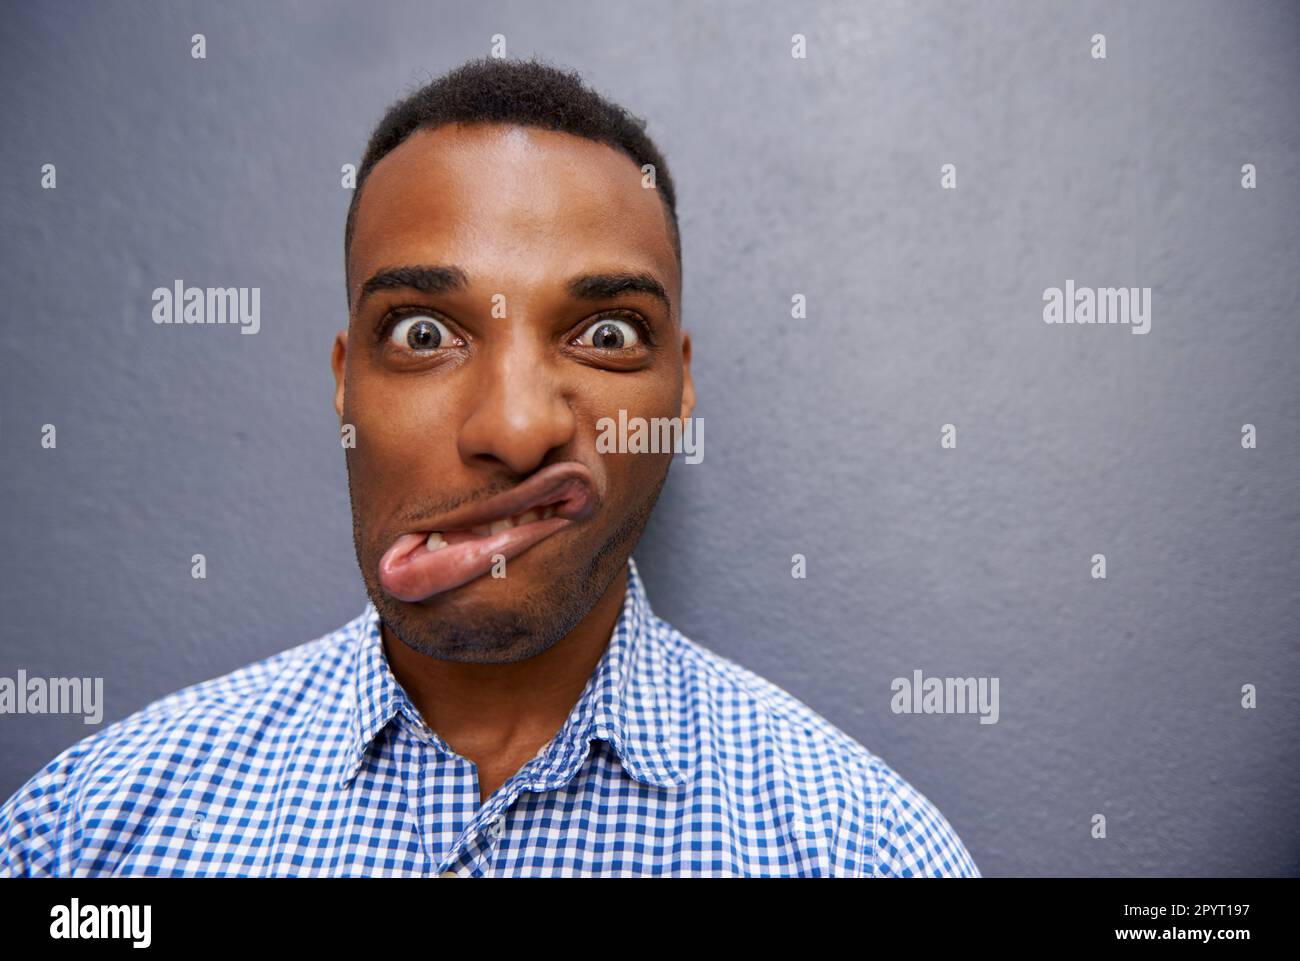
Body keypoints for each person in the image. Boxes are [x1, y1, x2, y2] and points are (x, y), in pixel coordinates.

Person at [0, 56, 979, 877]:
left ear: (680, 394)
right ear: (346, 384)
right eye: (424, 331)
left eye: (605, 332)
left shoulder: (868, 852)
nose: (515, 429)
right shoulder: (87, 839)